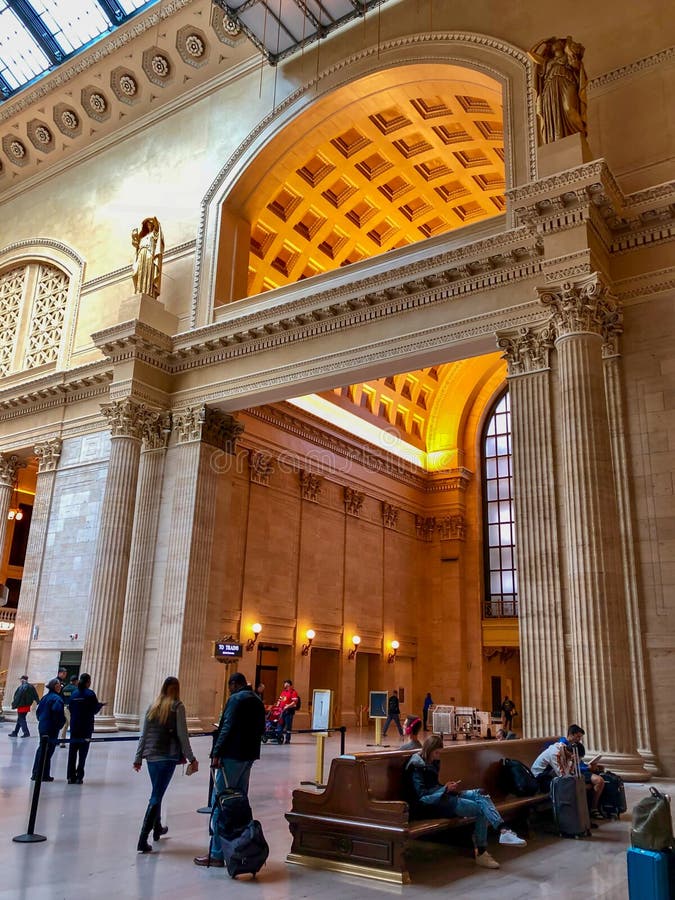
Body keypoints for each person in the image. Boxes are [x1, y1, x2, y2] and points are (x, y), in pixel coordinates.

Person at [405, 734, 527, 869]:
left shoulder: (432, 762)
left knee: (480, 794)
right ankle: (481, 852)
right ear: (429, 750)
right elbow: (422, 797)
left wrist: (446, 787)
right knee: (479, 809)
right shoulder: (416, 766)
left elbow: (433, 785)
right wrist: (444, 789)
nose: (438, 756)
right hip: (430, 806)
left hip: (442, 797)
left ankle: (504, 831)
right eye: (437, 752)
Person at [194, 671, 265, 867]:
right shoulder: (257, 701)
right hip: (248, 757)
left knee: (221, 803)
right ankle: (236, 847)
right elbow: (262, 729)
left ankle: (217, 853)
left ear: (234, 685)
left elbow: (227, 726)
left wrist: (216, 752)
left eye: (229, 687)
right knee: (239, 801)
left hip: (232, 756)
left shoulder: (235, 700)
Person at [133, 676, 198, 853]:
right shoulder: (177, 707)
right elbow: (183, 735)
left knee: (157, 790)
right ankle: (142, 838)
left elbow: (144, 734)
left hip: (151, 756)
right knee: (156, 794)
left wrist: (138, 757)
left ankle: (158, 827)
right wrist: (191, 758)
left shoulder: (152, 706)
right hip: (167, 756)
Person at [528, 35, 588, 144]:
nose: (555, 44)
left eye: (558, 42)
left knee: (569, 108)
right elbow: (530, 53)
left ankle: (581, 135)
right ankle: (556, 139)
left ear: (562, 45)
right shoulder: (547, 61)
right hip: (549, 88)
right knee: (552, 116)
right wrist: (542, 41)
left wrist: (574, 60)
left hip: (567, 81)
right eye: (553, 44)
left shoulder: (567, 56)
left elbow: (577, 67)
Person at [561, 724, 606, 820]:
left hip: (581, 769)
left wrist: (590, 766)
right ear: (571, 735)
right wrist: (587, 768)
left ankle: (601, 806)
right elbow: (569, 766)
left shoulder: (575, 745)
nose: (579, 739)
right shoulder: (563, 745)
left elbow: (579, 762)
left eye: (580, 737)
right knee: (599, 781)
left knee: (602, 773)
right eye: (578, 737)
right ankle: (593, 809)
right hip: (574, 772)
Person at [67, 674, 104, 784]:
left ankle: (70, 776)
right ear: (88, 682)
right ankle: (79, 776)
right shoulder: (90, 694)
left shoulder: (74, 693)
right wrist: (100, 705)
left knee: (72, 752)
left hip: (75, 726)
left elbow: (71, 708)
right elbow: (94, 709)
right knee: (83, 753)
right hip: (86, 726)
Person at [31, 678, 66, 782]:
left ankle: (37, 773)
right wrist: (60, 723)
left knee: (42, 749)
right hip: (51, 728)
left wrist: (42, 720)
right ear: (56, 686)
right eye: (60, 684)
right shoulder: (57, 699)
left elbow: (38, 712)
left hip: (43, 726)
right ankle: (43, 775)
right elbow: (57, 712)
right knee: (48, 750)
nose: (61, 686)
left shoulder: (45, 697)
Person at [131, 216, 164, 298]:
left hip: (149, 254)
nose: (148, 226)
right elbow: (136, 244)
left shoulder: (154, 234)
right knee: (137, 272)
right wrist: (134, 236)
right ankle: (139, 290)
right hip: (141, 254)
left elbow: (157, 227)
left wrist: (152, 219)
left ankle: (148, 292)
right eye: (147, 225)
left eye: (150, 224)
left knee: (148, 271)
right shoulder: (142, 237)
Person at [277, 678, 299, 744]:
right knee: (280, 724)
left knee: (288, 726)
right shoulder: (283, 692)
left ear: (290, 685)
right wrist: (278, 704)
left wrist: (288, 706)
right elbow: (280, 699)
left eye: (286, 684)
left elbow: (295, 702)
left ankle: (287, 739)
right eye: (285, 684)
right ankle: (279, 737)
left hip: (289, 711)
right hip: (282, 711)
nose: (285, 685)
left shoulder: (293, 692)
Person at [59, 675, 78, 747]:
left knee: (65, 725)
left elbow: (62, 698)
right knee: (73, 725)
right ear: (76, 681)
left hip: (64, 707)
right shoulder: (76, 689)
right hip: (72, 709)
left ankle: (62, 742)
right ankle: (74, 741)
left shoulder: (65, 688)